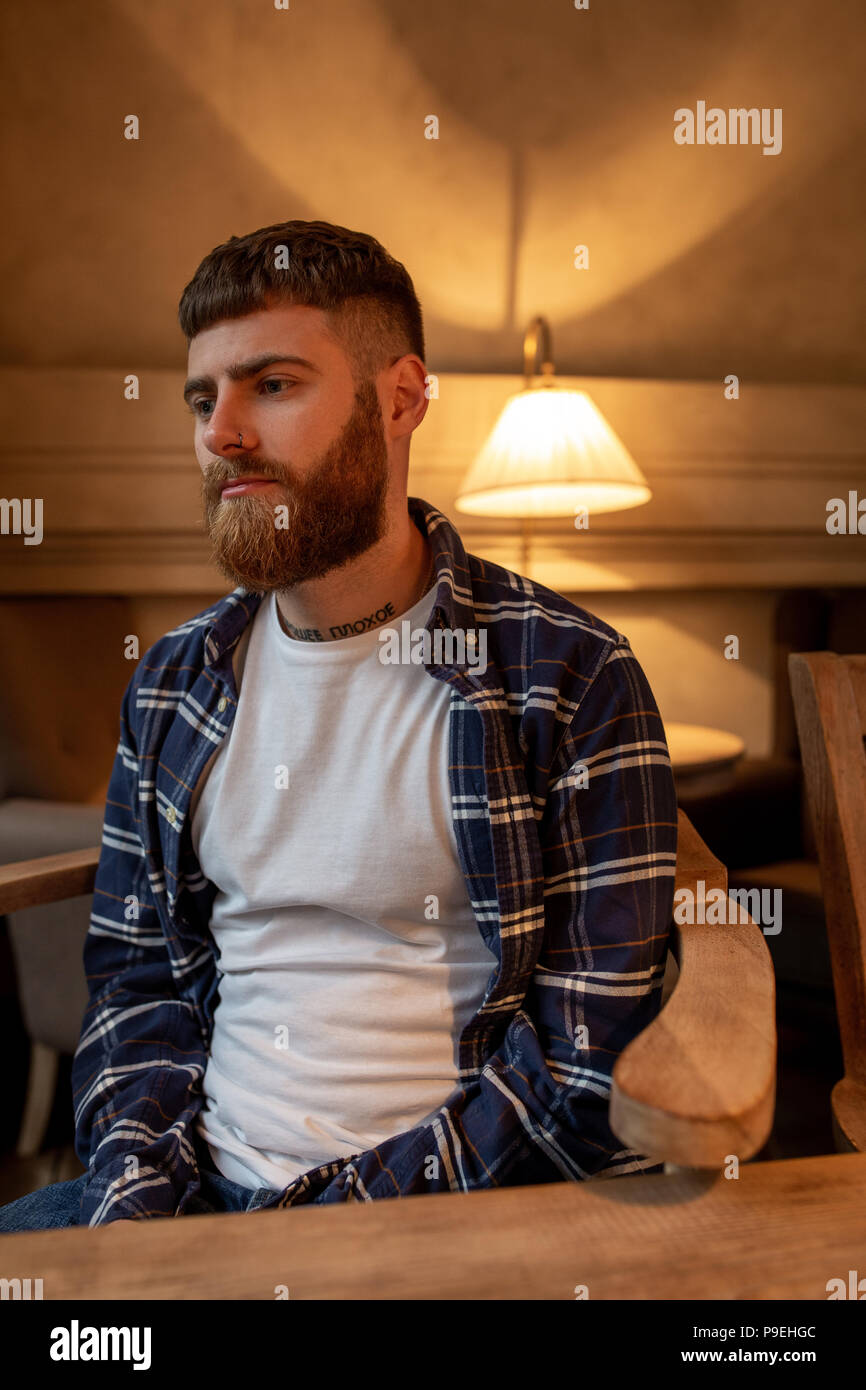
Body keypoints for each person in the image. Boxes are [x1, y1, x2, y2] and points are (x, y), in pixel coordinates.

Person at [0, 219, 677, 1231]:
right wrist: (141, 1208)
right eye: (202, 397)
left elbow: (588, 1053)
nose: (221, 431)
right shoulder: (177, 684)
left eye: (271, 385)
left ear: (399, 397)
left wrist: (319, 1232)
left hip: (453, 1216)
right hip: (196, 1198)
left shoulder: (563, 670)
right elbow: (135, 989)